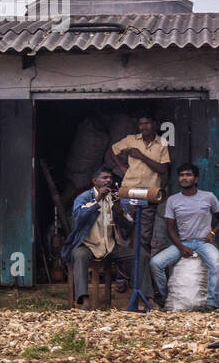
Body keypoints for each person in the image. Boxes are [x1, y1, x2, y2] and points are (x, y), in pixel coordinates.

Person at [60, 169, 135, 309]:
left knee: (138, 255)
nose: (108, 180)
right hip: (88, 245)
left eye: (110, 178)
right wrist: (97, 199)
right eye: (104, 177)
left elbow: (128, 223)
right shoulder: (84, 197)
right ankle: (84, 300)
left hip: (110, 245)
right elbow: (78, 217)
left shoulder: (114, 197)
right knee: (79, 255)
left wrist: (119, 209)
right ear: (94, 181)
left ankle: (147, 297)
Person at [149, 163, 219, 310]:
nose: (184, 178)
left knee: (217, 264)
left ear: (196, 179)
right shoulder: (173, 200)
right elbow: (170, 229)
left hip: (203, 242)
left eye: (188, 175)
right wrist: (181, 247)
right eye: (181, 175)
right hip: (183, 242)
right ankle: (165, 298)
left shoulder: (208, 197)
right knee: (156, 263)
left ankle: (212, 303)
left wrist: (212, 233)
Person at [106, 115, 170, 267]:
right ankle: (124, 274)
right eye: (141, 124)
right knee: (125, 233)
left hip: (150, 194)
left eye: (147, 123)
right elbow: (112, 150)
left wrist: (141, 156)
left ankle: (141, 276)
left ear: (154, 123)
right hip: (129, 191)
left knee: (144, 237)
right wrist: (121, 166)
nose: (143, 127)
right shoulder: (131, 139)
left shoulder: (162, 142)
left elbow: (162, 169)